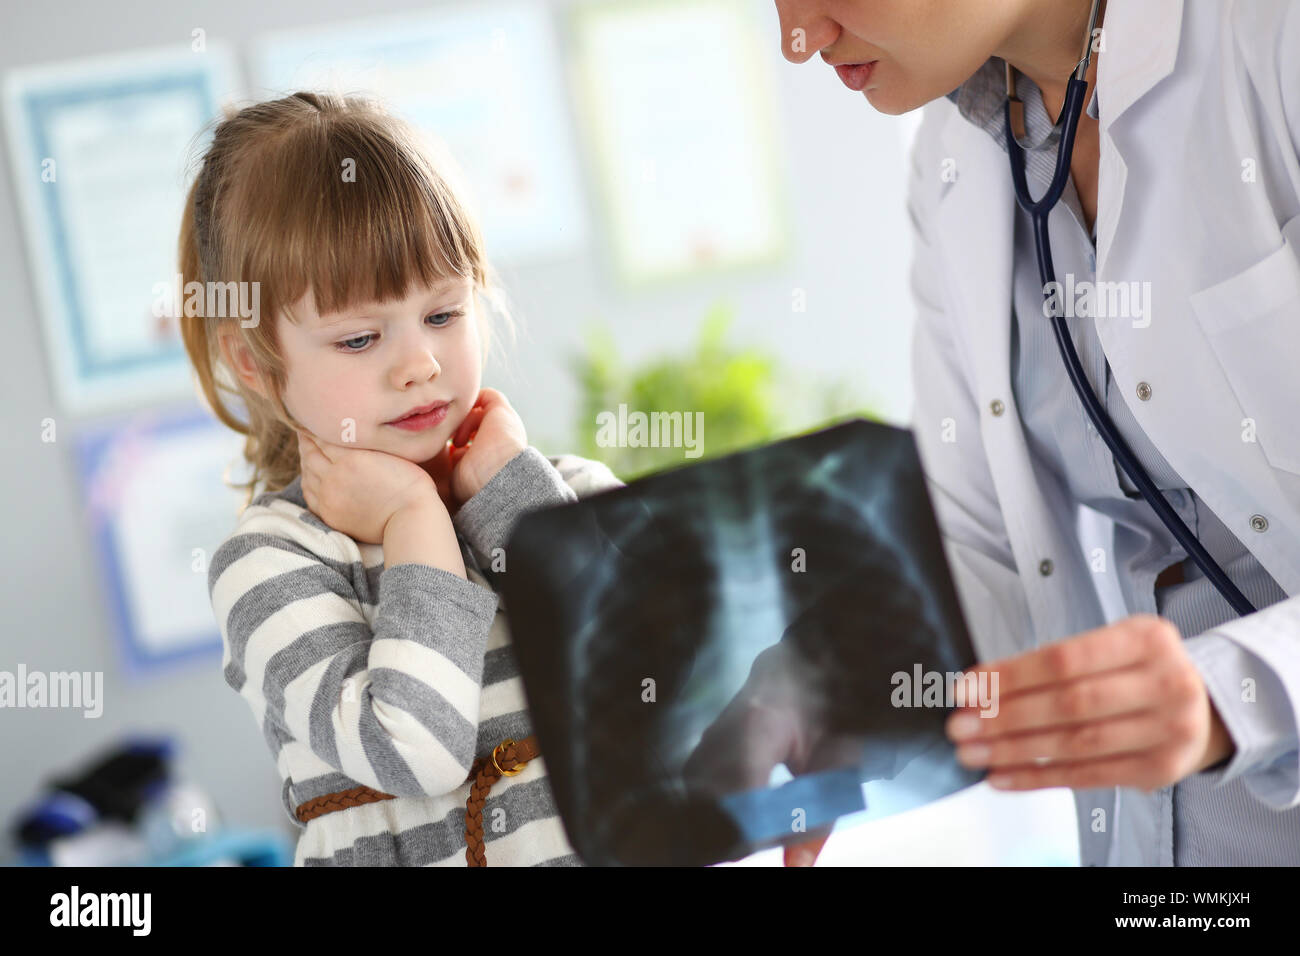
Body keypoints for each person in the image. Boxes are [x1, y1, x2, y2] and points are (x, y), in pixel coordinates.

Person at [775, 0, 1300, 865]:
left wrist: (1234, 692)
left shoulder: (1266, 36)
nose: (800, 38)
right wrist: (858, 680)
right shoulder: (953, 159)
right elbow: (984, 549)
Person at [179, 91, 621, 866]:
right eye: (357, 338)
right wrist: (416, 521)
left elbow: (663, 678)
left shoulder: (562, 495)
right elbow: (417, 750)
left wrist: (511, 505)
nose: (419, 363)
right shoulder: (272, 565)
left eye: (444, 315)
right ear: (254, 361)